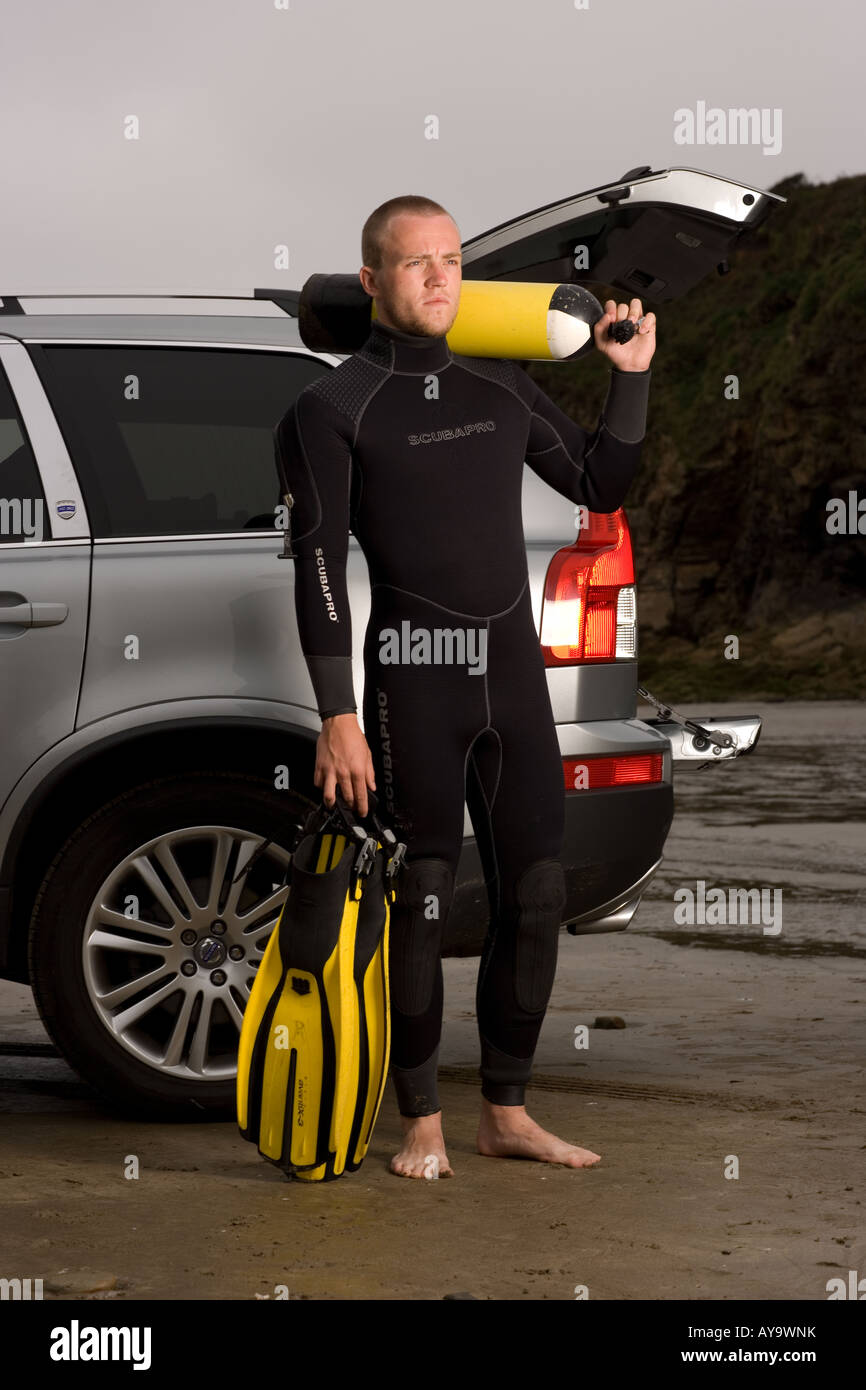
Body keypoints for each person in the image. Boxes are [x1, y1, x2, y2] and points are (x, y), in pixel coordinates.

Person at [275, 194, 656, 1178]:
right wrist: (336, 716)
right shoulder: (331, 408)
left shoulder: (497, 382)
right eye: (415, 263)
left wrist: (629, 380)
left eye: (449, 259)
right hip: (411, 682)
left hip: (511, 680)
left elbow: (597, 482)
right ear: (371, 280)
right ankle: (420, 1123)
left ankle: (505, 1110)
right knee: (424, 897)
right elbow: (314, 566)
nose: (439, 277)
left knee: (533, 895)